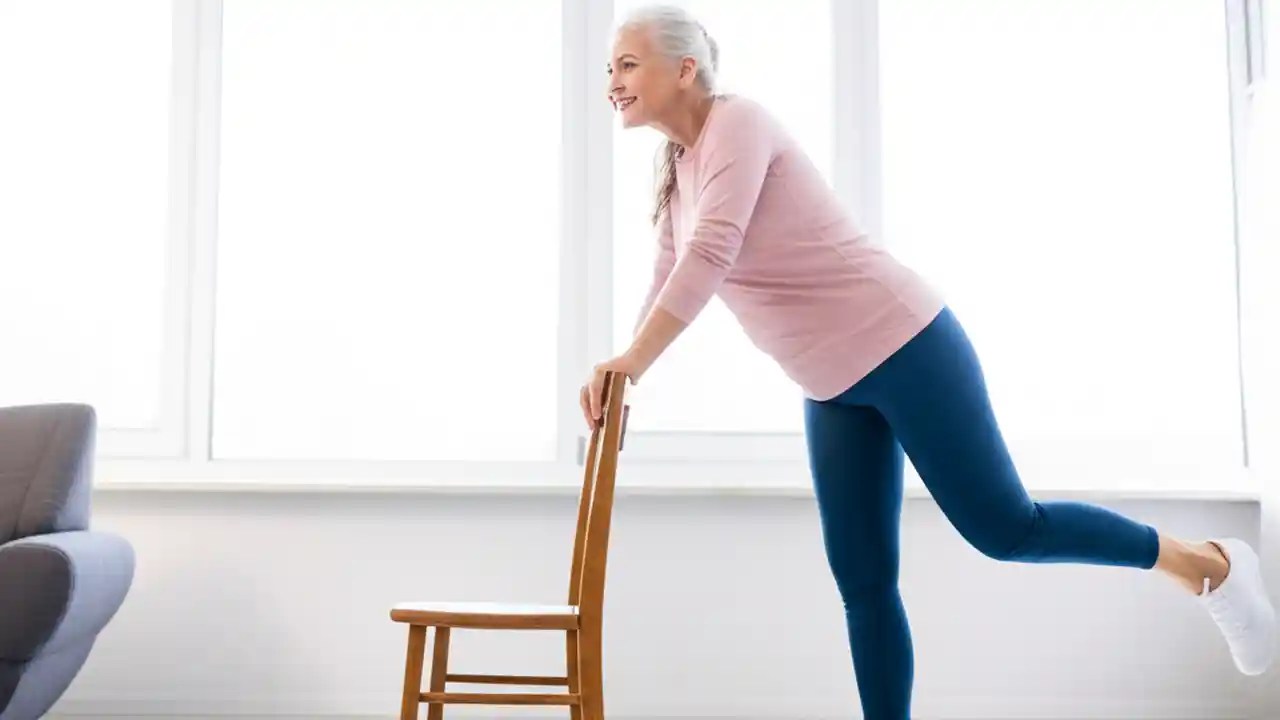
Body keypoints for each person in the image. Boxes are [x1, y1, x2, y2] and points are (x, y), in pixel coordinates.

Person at [578, 4, 1278, 717]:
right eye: (610, 68)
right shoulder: (677, 177)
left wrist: (631, 363)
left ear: (684, 68)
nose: (613, 81)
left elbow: (711, 253)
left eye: (627, 63)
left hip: (906, 344)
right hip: (829, 386)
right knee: (864, 582)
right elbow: (669, 275)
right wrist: (622, 372)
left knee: (1008, 529)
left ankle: (1209, 567)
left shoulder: (740, 125)